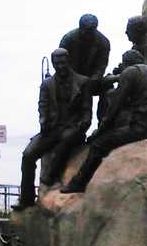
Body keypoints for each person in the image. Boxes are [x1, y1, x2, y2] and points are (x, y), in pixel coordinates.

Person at [61, 50, 147, 193]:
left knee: (99, 145)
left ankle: (78, 184)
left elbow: (115, 107)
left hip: (144, 128)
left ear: (126, 63)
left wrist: (100, 131)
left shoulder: (130, 72)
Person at [13, 48, 92, 209]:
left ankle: (50, 177)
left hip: (73, 128)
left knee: (66, 140)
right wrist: (43, 122)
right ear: (54, 64)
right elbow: (42, 107)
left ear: (68, 61)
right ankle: (26, 199)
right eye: (57, 63)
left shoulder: (83, 82)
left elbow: (87, 111)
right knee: (27, 155)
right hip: (52, 129)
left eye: (63, 62)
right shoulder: (47, 84)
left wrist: (82, 125)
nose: (60, 66)